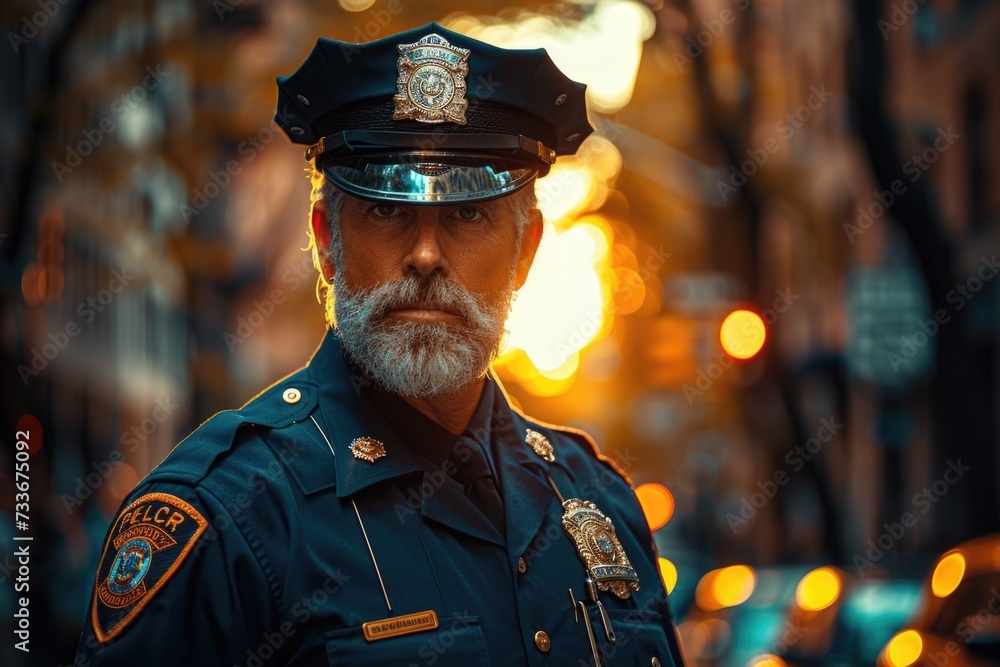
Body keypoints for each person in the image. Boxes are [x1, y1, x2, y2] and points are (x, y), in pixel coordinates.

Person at [76, 23, 686, 666]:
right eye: (386, 211)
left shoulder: (600, 501)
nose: (425, 255)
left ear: (526, 251)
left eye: (467, 214)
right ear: (325, 241)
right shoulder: (225, 521)